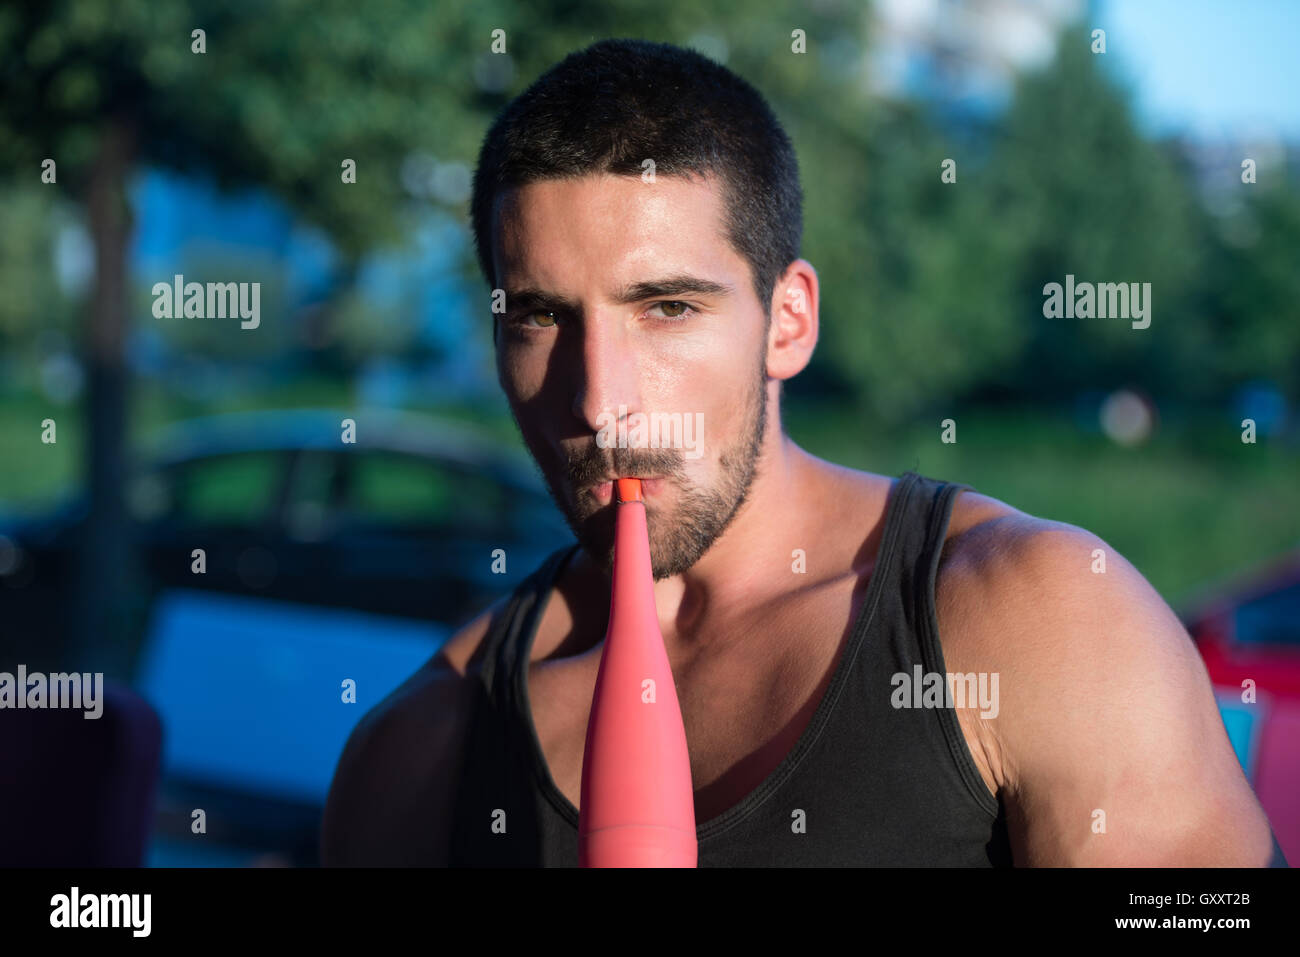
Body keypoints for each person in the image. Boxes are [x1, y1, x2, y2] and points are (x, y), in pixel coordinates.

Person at [321, 38, 1285, 867]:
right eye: (541, 318)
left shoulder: (1041, 621)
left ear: (788, 321)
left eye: (667, 307)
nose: (602, 402)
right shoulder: (427, 746)